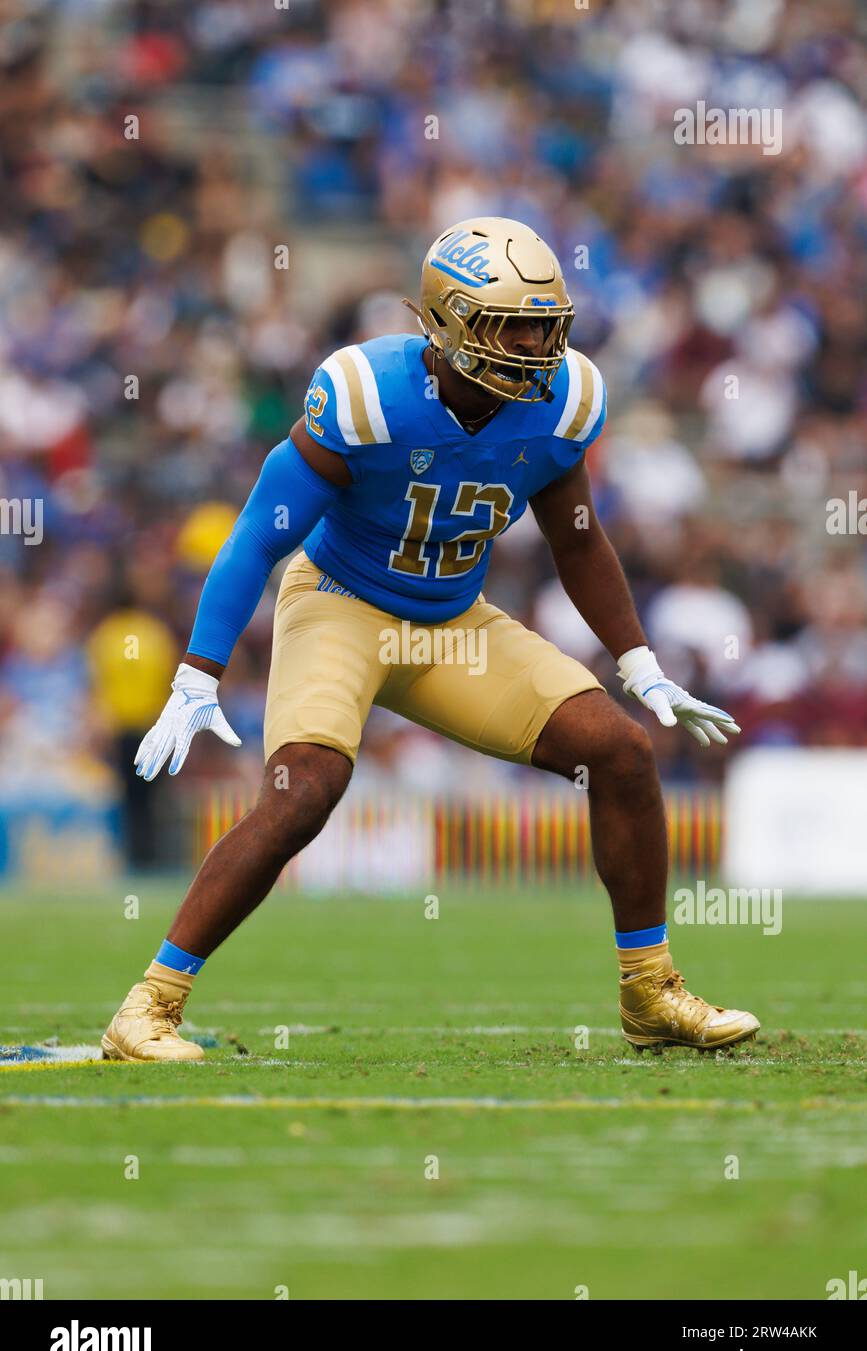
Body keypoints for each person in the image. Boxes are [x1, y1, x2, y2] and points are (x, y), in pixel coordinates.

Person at [101, 217, 759, 1061]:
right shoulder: (367, 395)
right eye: (511, 326)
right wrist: (199, 673)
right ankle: (148, 1007)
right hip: (340, 604)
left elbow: (578, 540)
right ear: (447, 323)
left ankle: (650, 992)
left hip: (450, 622)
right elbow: (259, 534)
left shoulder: (562, 402)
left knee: (620, 752)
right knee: (304, 789)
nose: (535, 346)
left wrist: (639, 665)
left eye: (544, 325)